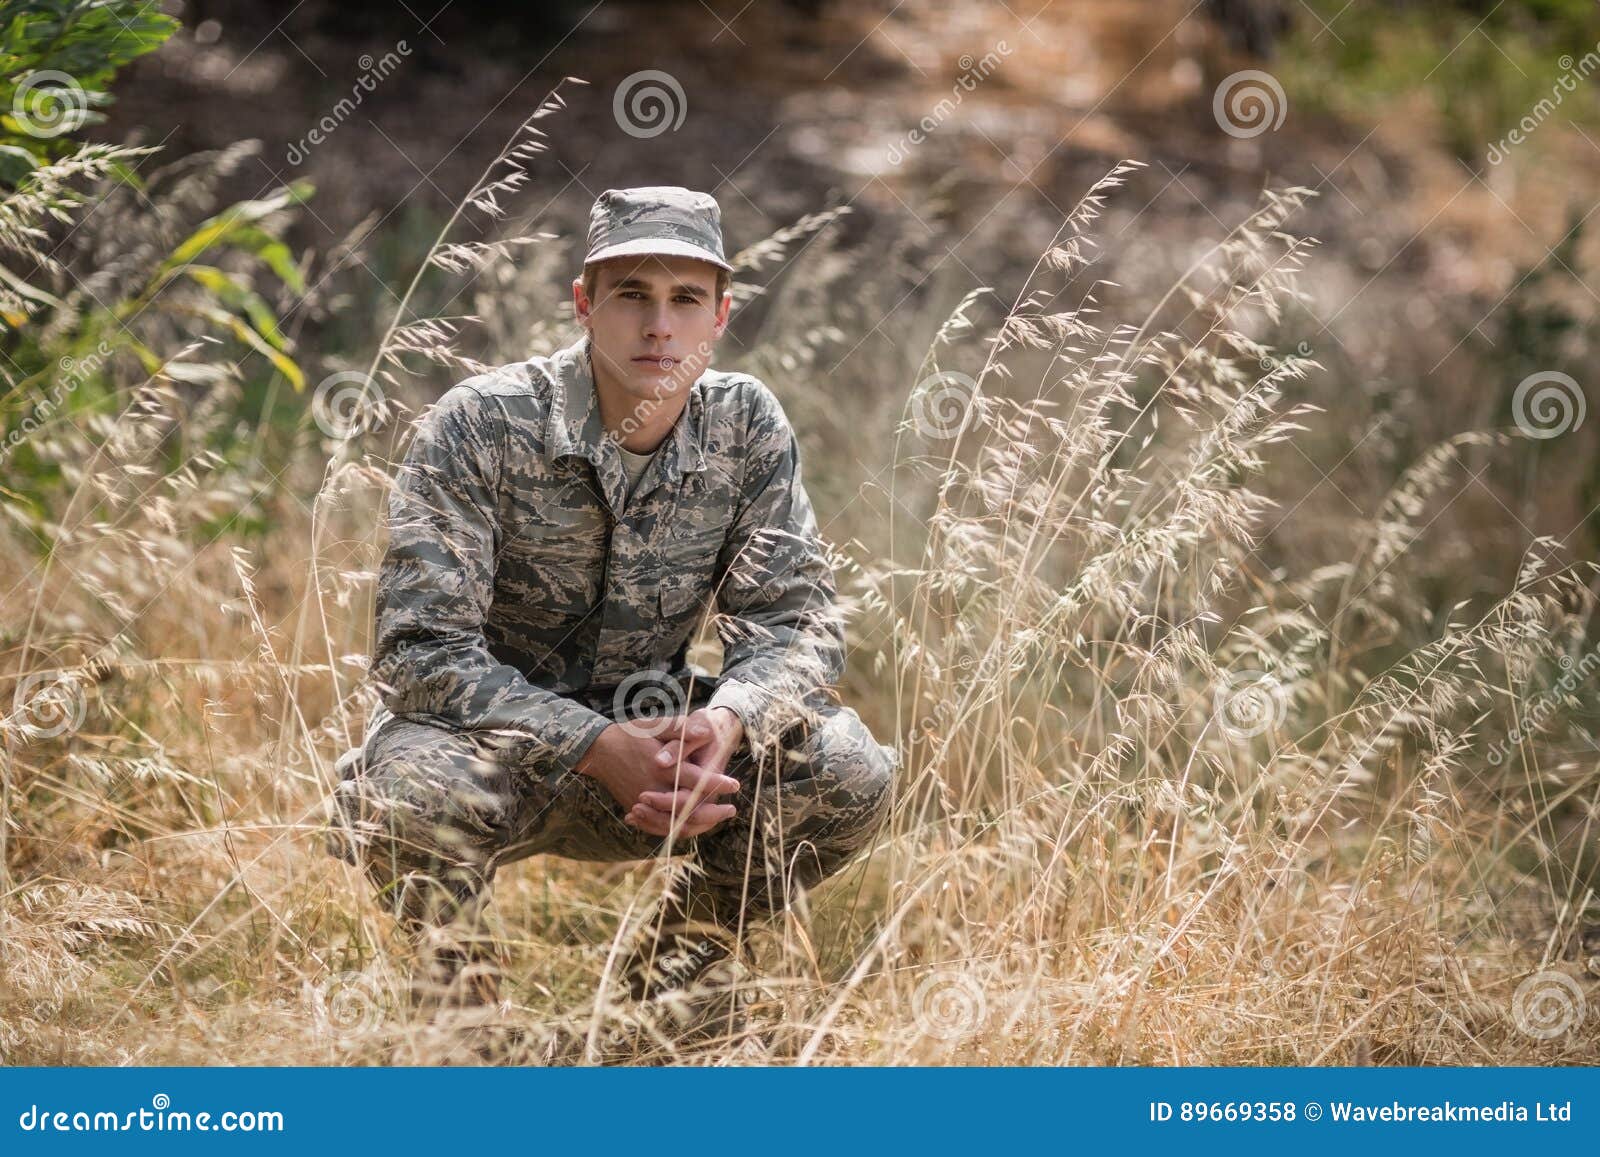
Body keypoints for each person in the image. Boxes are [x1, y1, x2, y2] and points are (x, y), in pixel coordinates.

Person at [324, 185, 895, 1032]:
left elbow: (799, 624)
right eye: (633, 295)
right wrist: (593, 744)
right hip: (494, 757)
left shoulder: (746, 426)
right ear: (586, 305)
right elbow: (419, 653)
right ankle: (460, 1027)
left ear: (720, 316)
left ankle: (667, 996)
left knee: (849, 770)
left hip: (670, 766)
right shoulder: (482, 422)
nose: (659, 326)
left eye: (685, 300)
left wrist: (730, 718)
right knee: (406, 788)